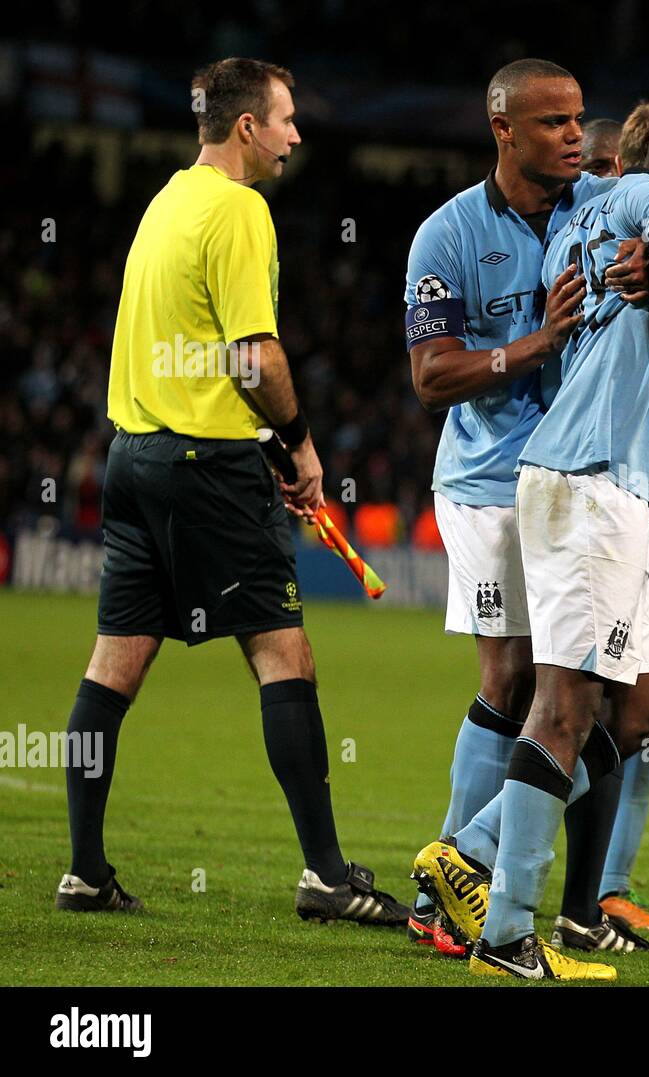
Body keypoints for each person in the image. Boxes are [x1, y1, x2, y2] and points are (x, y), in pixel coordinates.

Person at [418, 80, 649, 980]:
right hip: (593, 485)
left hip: (610, 488)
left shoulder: (587, 216)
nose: (574, 140)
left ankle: (476, 855)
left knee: (628, 706)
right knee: (559, 702)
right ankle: (503, 930)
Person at [57, 57, 409, 927]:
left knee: (115, 661)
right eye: (286, 119)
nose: (295, 136)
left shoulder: (166, 201)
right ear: (247, 126)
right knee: (283, 654)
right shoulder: (241, 210)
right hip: (206, 469)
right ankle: (328, 875)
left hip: (132, 459)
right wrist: (297, 446)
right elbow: (254, 355)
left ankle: (85, 868)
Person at [403, 60, 649, 956]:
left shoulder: (602, 204)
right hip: (490, 483)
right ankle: (453, 890)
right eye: (554, 123)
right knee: (514, 681)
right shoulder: (447, 235)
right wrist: (535, 344)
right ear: (503, 129)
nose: (576, 138)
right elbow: (433, 376)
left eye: (581, 120)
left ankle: (481, 877)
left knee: (626, 709)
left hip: (593, 481)